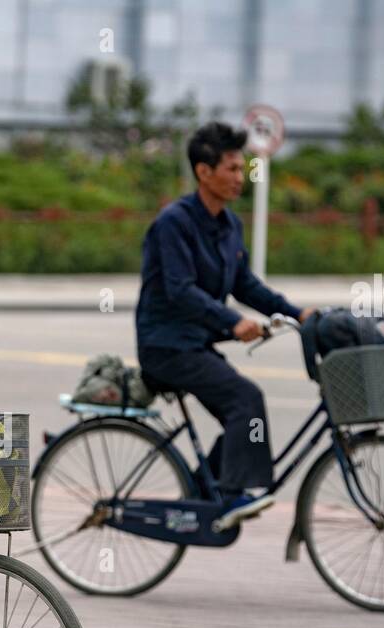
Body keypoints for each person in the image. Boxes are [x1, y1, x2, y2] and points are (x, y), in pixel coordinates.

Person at [135, 121, 315, 529]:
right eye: (232, 169)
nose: (240, 178)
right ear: (203, 171)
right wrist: (233, 322)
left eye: (243, 169)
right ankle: (231, 494)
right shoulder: (174, 223)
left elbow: (245, 283)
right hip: (165, 345)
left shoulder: (230, 225)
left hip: (195, 343)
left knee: (241, 411)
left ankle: (203, 490)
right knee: (244, 400)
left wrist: (297, 312)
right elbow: (179, 291)